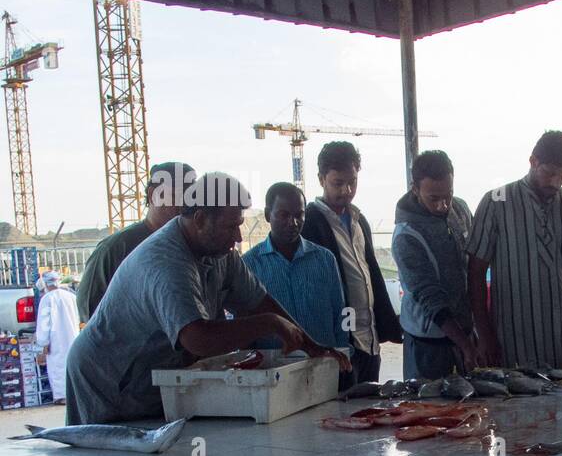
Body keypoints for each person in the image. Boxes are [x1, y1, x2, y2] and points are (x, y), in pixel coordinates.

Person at [63, 173, 346, 425]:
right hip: (109, 378)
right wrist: (269, 324)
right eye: (230, 227)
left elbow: (258, 300)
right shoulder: (166, 261)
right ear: (199, 220)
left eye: (240, 225)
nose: (237, 237)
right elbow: (197, 338)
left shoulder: (222, 253)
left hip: (155, 375)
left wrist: (312, 346)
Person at [467, 131, 562, 369]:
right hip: (515, 342)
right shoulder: (496, 202)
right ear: (533, 161)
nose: (555, 182)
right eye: (550, 173)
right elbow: (475, 272)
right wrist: (484, 334)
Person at [300, 140, 401, 388]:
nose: (346, 190)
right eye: (338, 183)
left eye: (352, 182)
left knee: (369, 414)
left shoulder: (359, 221)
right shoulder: (310, 222)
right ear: (321, 179)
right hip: (338, 344)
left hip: (369, 340)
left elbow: (372, 275)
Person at [392, 150, 477, 379]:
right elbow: (430, 297)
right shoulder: (405, 236)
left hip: (466, 333)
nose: (443, 205)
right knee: (427, 410)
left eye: (447, 195)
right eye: (433, 198)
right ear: (415, 189)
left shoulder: (460, 209)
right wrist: (466, 345)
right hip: (427, 345)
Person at [76, 161, 193, 322]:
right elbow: (90, 312)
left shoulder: (195, 249)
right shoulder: (115, 249)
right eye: (177, 196)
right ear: (154, 195)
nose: (186, 206)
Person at [242, 182, 350, 355]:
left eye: (299, 215)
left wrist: (344, 350)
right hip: (275, 369)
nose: (293, 222)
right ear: (268, 215)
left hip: (323, 363)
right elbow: (245, 327)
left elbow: (342, 311)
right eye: (283, 215)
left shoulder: (325, 259)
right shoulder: (248, 265)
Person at [34, 271, 78, 404]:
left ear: (46, 284)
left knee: (57, 367)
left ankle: (62, 396)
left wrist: (42, 344)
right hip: (73, 336)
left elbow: (44, 323)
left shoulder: (47, 299)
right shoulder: (71, 296)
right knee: (71, 365)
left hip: (55, 339)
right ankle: (74, 394)